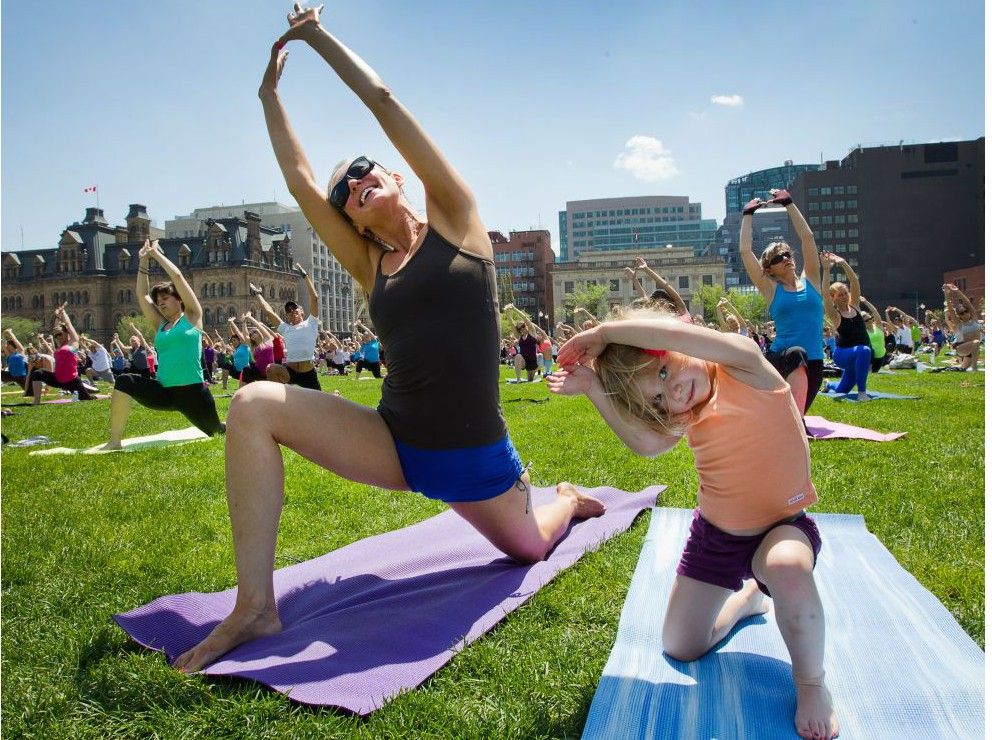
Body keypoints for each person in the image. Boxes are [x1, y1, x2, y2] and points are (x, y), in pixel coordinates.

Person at [172, 3, 605, 673]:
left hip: (476, 459)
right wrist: (268, 95)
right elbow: (299, 180)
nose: (357, 182)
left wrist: (316, 37)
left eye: (367, 170)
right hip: (395, 444)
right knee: (254, 403)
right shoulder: (370, 263)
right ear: (354, 220)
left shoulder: (458, 223)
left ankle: (568, 499)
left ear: (397, 178)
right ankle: (255, 604)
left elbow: (383, 99)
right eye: (346, 190)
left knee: (527, 550)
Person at [548, 308, 837, 740]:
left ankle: (811, 681)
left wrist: (605, 333)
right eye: (658, 399)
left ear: (681, 342)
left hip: (781, 528)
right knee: (681, 645)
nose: (675, 393)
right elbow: (648, 445)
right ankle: (748, 600)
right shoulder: (689, 413)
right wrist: (591, 387)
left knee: (788, 568)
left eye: (664, 371)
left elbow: (669, 335)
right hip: (716, 539)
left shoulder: (743, 363)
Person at [102, 240, 224, 450]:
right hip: (164, 391)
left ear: (179, 299)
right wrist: (143, 261)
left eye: (166, 298)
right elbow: (142, 295)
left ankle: (233, 423)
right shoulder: (161, 325)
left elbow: (177, 277)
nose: (161, 304)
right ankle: (114, 441)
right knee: (124, 381)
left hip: (192, 393)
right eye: (159, 302)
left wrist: (156, 254)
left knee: (217, 431)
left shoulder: (193, 317)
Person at [739, 189, 824, 415]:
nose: (785, 259)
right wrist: (748, 215)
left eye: (787, 254)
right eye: (778, 258)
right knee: (797, 354)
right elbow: (745, 251)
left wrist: (789, 204)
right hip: (782, 360)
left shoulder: (812, 281)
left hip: (814, 362)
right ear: (769, 268)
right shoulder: (770, 288)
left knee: (793, 414)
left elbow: (807, 237)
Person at [250, 263, 323, 390]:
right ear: (287, 316)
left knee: (320, 405)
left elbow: (315, 298)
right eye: (288, 311)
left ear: (302, 312)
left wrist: (305, 276)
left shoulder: (311, 323)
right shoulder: (285, 328)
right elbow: (269, 312)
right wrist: (258, 294)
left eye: (294, 308)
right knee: (271, 368)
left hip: (308, 374)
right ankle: (278, 397)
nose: (291, 311)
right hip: (290, 372)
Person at [820, 253, 871, 401]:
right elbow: (824, 294)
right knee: (865, 350)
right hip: (842, 355)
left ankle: (829, 384)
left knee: (844, 388)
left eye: (845, 293)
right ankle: (862, 393)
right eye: (840, 295)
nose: (844, 296)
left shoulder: (854, 306)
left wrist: (843, 263)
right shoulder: (835, 315)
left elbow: (854, 281)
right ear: (833, 298)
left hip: (858, 355)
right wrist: (827, 270)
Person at [29, 305, 96, 403]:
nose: (58, 337)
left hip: (72, 381)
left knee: (86, 399)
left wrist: (62, 312)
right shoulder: (59, 345)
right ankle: (36, 401)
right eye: (56, 335)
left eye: (60, 334)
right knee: (37, 373)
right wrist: (57, 316)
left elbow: (68, 324)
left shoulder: (73, 342)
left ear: (67, 334)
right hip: (58, 379)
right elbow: (56, 328)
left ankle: (93, 394)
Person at [941, 284, 981, 371]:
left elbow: (968, 303)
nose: (965, 314)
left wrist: (957, 291)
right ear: (960, 316)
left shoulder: (974, 319)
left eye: (966, 311)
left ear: (969, 312)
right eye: (962, 313)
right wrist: (947, 294)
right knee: (976, 342)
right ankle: (975, 368)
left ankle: (961, 366)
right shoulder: (959, 324)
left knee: (962, 369)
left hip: (972, 351)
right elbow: (951, 311)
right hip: (962, 348)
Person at [504, 305, 540, 382]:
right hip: (524, 360)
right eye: (520, 328)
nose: (522, 329)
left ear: (525, 326)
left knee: (530, 380)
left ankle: (533, 373)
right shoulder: (519, 336)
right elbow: (512, 324)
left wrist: (514, 309)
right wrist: (507, 313)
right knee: (518, 356)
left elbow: (525, 318)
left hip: (532, 362)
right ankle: (518, 379)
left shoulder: (532, 332)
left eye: (523, 326)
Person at [859, 297, 891, 373]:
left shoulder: (878, 326)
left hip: (880, 357)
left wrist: (866, 302)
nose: (870, 321)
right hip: (869, 357)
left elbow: (875, 311)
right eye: (866, 320)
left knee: (874, 372)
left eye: (870, 318)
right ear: (863, 323)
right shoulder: (863, 331)